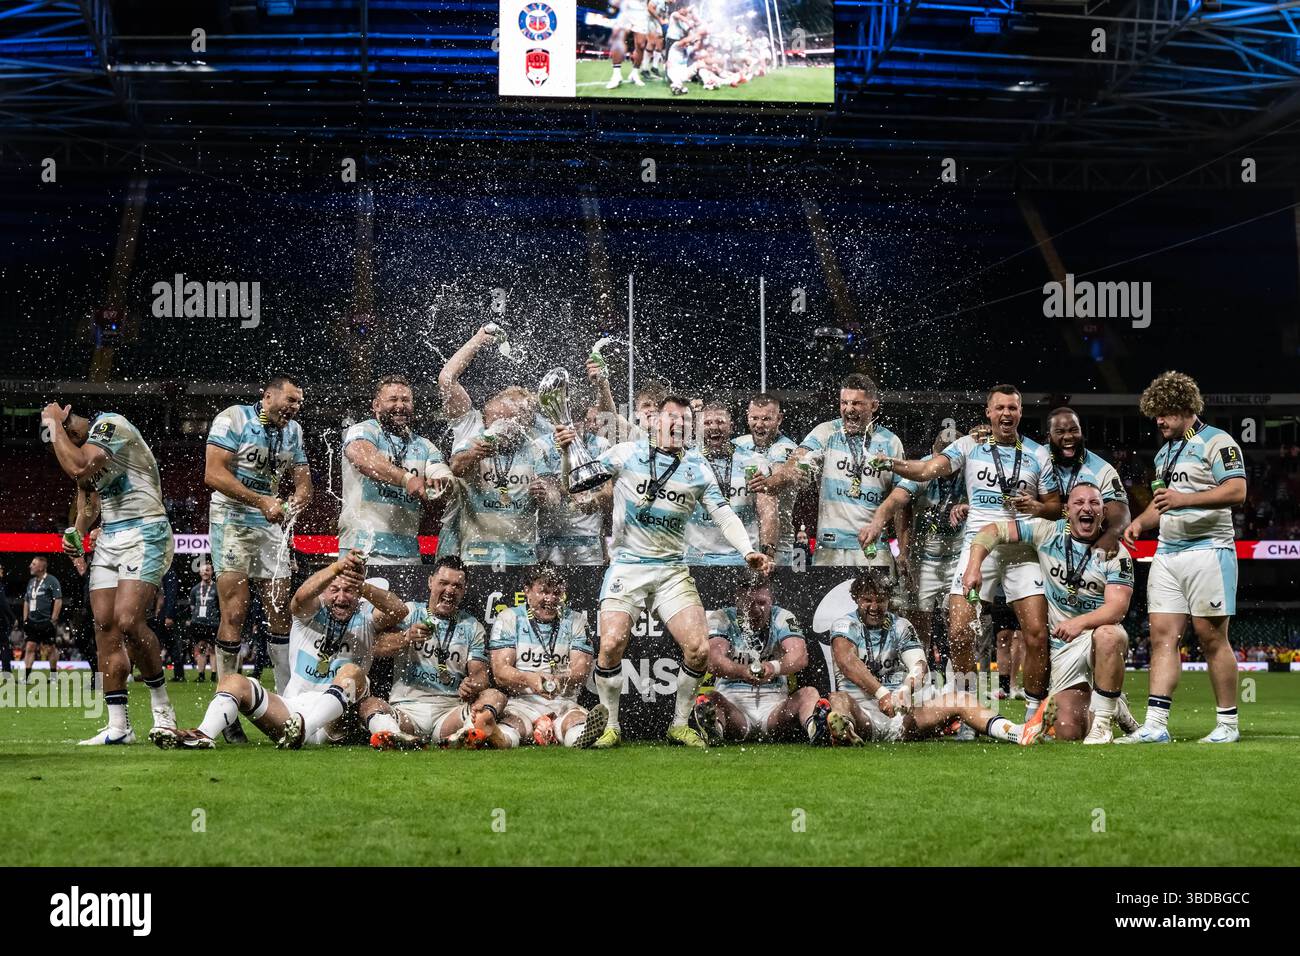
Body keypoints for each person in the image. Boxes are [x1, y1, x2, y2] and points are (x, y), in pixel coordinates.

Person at [554, 394, 773, 748]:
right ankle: (610, 726)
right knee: (609, 645)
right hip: (628, 565)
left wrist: (748, 550)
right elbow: (577, 483)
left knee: (699, 649)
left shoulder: (698, 467)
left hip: (672, 570)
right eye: (670, 418)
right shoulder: (626, 453)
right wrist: (567, 453)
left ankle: (679, 725)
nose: (677, 425)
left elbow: (723, 513)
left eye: (684, 422)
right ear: (655, 421)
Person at [871, 386, 1059, 726]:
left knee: (1036, 634)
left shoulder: (1037, 453)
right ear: (988, 412)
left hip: (1022, 549)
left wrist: (1036, 507)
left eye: (1013, 408)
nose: (1006, 414)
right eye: (999, 407)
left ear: (1020, 412)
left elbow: (1056, 506)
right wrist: (894, 464)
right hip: (978, 549)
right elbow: (928, 470)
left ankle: (1034, 712)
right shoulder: (969, 446)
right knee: (958, 631)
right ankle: (965, 709)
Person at [153, 552, 408, 749]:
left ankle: (305, 729)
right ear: (324, 592)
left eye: (349, 591)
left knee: (352, 671)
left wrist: (359, 584)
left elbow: (399, 610)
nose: (341, 597)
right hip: (290, 713)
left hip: (333, 721)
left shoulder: (366, 617)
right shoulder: (308, 613)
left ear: (359, 596)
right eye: (335, 589)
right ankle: (203, 734)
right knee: (232, 682)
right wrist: (337, 568)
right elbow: (298, 598)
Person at [1120, 371, 1247, 744]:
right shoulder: (1165, 452)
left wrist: (1184, 500)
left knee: (1211, 638)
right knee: (1162, 637)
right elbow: (1165, 505)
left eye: (1167, 413)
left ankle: (1227, 725)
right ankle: (1156, 725)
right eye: (1156, 414)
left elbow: (1237, 491)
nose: (1159, 420)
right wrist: (1141, 523)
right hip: (1168, 553)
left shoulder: (1217, 442)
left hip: (1209, 550)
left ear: (1188, 408)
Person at [963, 482, 1140, 742]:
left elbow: (1117, 608)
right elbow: (994, 530)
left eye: (1094, 503)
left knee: (1109, 636)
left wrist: (1079, 623)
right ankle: (1115, 706)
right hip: (1064, 647)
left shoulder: (1117, 553)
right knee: (1067, 731)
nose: (1086, 508)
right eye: (1079, 503)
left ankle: (1103, 723)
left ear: (1103, 512)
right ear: (1067, 510)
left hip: (1097, 635)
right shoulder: (1048, 532)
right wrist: (974, 565)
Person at [41, 403, 176, 745]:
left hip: (146, 530)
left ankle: (164, 714)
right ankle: (119, 727)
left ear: (69, 428)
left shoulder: (110, 425)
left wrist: (53, 421)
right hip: (111, 535)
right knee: (105, 626)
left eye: (63, 434)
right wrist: (77, 531)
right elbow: (88, 500)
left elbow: (81, 464)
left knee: (129, 621)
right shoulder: (83, 446)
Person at [826, 573, 1042, 746]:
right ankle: (845, 731)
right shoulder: (845, 625)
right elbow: (847, 662)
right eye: (868, 600)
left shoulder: (900, 625)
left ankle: (1016, 732)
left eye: (881, 600)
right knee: (838, 699)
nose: (875, 606)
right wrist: (881, 694)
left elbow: (920, 666)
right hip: (864, 714)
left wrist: (905, 690)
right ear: (856, 599)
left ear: (888, 600)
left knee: (960, 698)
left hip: (903, 717)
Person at [205, 375, 312, 705]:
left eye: (299, 403)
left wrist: (296, 502)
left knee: (281, 610)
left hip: (270, 522)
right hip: (231, 519)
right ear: (268, 396)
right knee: (235, 614)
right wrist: (261, 501)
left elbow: (304, 484)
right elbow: (213, 473)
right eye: (290, 400)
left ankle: (286, 701)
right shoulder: (233, 417)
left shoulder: (293, 431)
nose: (295, 408)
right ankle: (227, 703)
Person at [360, 557, 506, 749]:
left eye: (457, 586)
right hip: (406, 710)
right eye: (443, 583)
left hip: (449, 711)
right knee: (368, 704)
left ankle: (465, 734)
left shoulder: (472, 626)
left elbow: (480, 677)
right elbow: (373, 647)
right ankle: (394, 735)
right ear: (430, 582)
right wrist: (406, 637)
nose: (450, 591)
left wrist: (472, 686)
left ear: (463, 590)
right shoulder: (410, 612)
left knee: (495, 696)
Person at [769, 373, 904, 571]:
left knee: (878, 603)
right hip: (830, 548)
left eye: (857, 403)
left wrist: (904, 553)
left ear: (874, 406)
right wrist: (781, 476)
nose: (849, 409)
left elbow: (902, 501)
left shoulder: (891, 443)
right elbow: (798, 456)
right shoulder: (826, 432)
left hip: (874, 548)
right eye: (844, 403)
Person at [861, 430, 966, 658]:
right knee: (918, 627)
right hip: (924, 561)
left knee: (961, 626)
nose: (945, 469)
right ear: (933, 455)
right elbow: (895, 501)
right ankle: (922, 682)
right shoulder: (924, 469)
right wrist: (876, 525)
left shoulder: (973, 468)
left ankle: (958, 684)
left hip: (961, 559)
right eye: (940, 460)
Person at [690, 577, 829, 745]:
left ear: (772, 600)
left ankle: (816, 730)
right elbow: (712, 660)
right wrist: (742, 671)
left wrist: (773, 667)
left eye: (762, 602)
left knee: (809, 693)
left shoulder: (783, 617)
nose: (755, 610)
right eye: (748, 603)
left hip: (775, 709)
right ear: (738, 600)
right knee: (711, 698)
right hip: (734, 707)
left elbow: (800, 656)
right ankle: (714, 731)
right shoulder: (721, 617)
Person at [487, 565, 609, 748]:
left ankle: (581, 738)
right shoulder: (509, 618)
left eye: (556, 593)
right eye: (543, 591)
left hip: (563, 703)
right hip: (522, 704)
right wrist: (530, 679)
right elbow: (500, 672)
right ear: (527, 591)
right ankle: (500, 738)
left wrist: (560, 681)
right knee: (514, 724)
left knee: (574, 721)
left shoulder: (575, 620)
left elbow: (581, 672)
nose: (551, 599)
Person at [340, 374, 450, 564]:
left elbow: (442, 476)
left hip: (408, 551)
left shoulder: (425, 446)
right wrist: (407, 479)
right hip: (361, 547)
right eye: (392, 399)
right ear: (376, 405)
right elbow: (364, 459)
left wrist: (442, 485)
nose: (400, 405)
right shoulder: (363, 430)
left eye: (406, 400)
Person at [444, 394, 561, 566]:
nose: (505, 426)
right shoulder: (474, 444)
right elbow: (456, 467)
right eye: (498, 420)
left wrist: (545, 494)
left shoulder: (533, 450)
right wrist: (473, 456)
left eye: (511, 419)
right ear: (486, 422)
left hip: (521, 556)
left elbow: (554, 496)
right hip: (477, 554)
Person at [683, 402, 778, 565]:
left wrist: (768, 553)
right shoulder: (687, 462)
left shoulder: (754, 462)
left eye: (720, 422)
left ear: (732, 426)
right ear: (697, 428)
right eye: (707, 423)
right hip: (697, 557)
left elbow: (767, 511)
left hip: (744, 555)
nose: (714, 427)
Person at [1038, 407, 1130, 554]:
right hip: (1041, 544)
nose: (1068, 437)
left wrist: (1112, 534)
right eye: (1060, 432)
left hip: (1084, 548)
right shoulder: (1035, 459)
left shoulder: (1103, 469)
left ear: (1082, 433)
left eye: (1074, 430)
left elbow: (1120, 511)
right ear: (1049, 437)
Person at [538, 405, 612, 566]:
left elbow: (608, 494)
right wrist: (571, 490)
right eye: (566, 426)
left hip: (588, 541)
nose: (571, 432)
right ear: (555, 423)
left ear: (584, 421)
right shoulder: (541, 446)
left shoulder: (601, 445)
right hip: (550, 541)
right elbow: (548, 492)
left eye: (576, 424)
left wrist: (594, 499)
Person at [737, 393, 800, 567]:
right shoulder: (740, 444)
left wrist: (768, 482)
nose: (759, 424)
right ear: (747, 417)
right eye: (754, 418)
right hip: (746, 542)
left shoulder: (787, 448)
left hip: (778, 546)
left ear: (779, 419)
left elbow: (780, 477)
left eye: (766, 419)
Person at [20, 555, 62, 682]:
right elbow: (26, 601)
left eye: (33, 564)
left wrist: (53, 620)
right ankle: (27, 678)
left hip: (46, 622)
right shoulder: (31, 582)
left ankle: (53, 677)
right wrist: (25, 620)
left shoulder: (52, 580)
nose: (30, 566)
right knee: (30, 647)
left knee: (50, 649)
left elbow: (58, 600)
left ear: (41, 567)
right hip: (32, 622)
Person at [189, 561, 220, 682]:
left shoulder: (217, 588)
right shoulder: (195, 589)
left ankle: (213, 675)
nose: (205, 573)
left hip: (213, 623)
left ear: (212, 572)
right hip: (198, 623)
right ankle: (201, 675)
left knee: (213, 649)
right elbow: (192, 606)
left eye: (207, 570)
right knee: (200, 648)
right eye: (203, 570)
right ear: (200, 573)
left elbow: (220, 607)